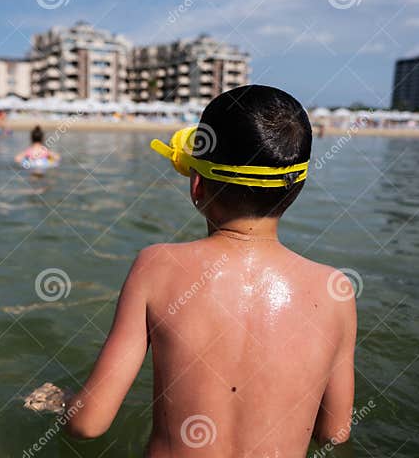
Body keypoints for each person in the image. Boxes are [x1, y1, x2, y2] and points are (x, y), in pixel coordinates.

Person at [61, 85, 357, 457]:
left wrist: (61, 402)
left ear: (197, 185)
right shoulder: (336, 291)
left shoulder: (156, 267)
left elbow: (88, 424)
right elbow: (334, 432)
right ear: (296, 187)